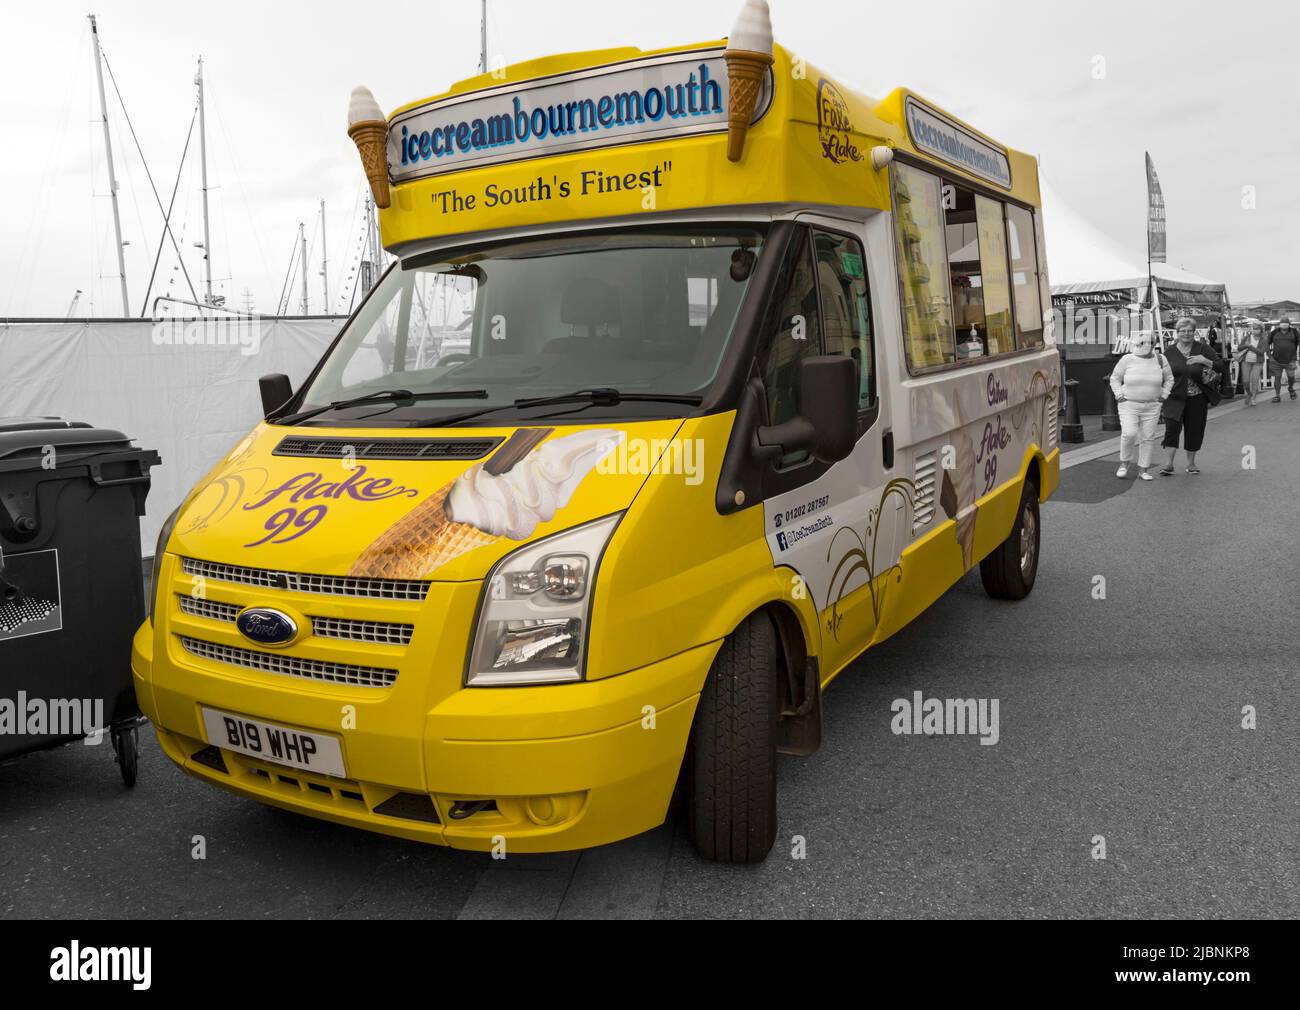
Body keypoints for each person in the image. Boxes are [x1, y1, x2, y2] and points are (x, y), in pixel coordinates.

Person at [1160, 316, 1223, 476]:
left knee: (1194, 430)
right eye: (1183, 331)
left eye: (1189, 331)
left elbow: (1221, 366)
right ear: (1177, 333)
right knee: (1171, 429)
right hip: (1174, 398)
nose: (1186, 334)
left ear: (1194, 332)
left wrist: (1205, 360)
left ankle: (1191, 463)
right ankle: (1168, 464)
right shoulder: (1169, 352)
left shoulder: (1203, 349)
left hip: (1197, 398)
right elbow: (1160, 374)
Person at [1110, 332, 1173, 480]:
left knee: (1148, 437)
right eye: (1142, 343)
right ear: (1137, 344)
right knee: (1129, 433)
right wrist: (1119, 394)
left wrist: (1164, 395)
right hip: (1129, 404)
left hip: (1152, 406)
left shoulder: (1160, 359)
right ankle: (1124, 464)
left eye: (1150, 342)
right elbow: (1115, 378)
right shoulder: (1127, 359)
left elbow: (1169, 378)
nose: (1147, 345)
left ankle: (1143, 469)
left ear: (1153, 343)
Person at [1234, 319, 1268, 406]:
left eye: (1256, 328)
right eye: (1253, 328)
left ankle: (1253, 398)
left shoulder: (1264, 339)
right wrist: (1246, 345)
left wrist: (1250, 347)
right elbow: (1239, 348)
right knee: (1245, 381)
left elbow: (1261, 352)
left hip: (1258, 362)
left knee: (1255, 380)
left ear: (1261, 329)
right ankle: (1249, 393)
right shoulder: (1247, 337)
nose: (1254, 330)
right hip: (1246, 361)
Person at [1266, 314, 1300, 402]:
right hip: (1276, 360)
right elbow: (1266, 344)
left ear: (1289, 324)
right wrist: (1270, 357)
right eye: (1282, 323)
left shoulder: (1294, 332)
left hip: (1291, 359)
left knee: (1291, 377)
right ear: (1279, 324)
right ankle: (1277, 396)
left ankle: (1291, 387)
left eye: (1286, 323)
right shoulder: (1274, 332)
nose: (1284, 324)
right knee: (1277, 378)